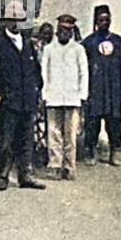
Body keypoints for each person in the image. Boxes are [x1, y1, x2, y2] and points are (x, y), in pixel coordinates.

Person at [0, 0, 45, 190]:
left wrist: (37, 91)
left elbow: (35, 71)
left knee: (27, 140)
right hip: (8, 101)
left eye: (19, 19)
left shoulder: (27, 43)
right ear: (5, 22)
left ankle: (25, 175)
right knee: (5, 140)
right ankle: (1, 175)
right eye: (12, 20)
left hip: (27, 101)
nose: (16, 23)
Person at [82, 4, 121, 166]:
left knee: (114, 122)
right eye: (101, 20)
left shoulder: (118, 41)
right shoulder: (89, 43)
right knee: (92, 122)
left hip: (113, 91)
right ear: (96, 22)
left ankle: (114, 153)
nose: (105, 23)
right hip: (95, 91)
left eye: (107, 19)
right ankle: (91, 151)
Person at [41, 13, 89, 180]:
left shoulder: (78, 50)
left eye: (68, 30)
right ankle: (54, 165)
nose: (65, 33)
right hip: (53, 97)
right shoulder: (48, 50)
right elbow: (44, 73)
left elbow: (84, 73)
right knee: (53, 133)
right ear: (57, 30)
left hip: (72, 97)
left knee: (70, 134)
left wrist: (82, 95)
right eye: (62, 29)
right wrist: (44, 94)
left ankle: (69, 166)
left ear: (72, 31)